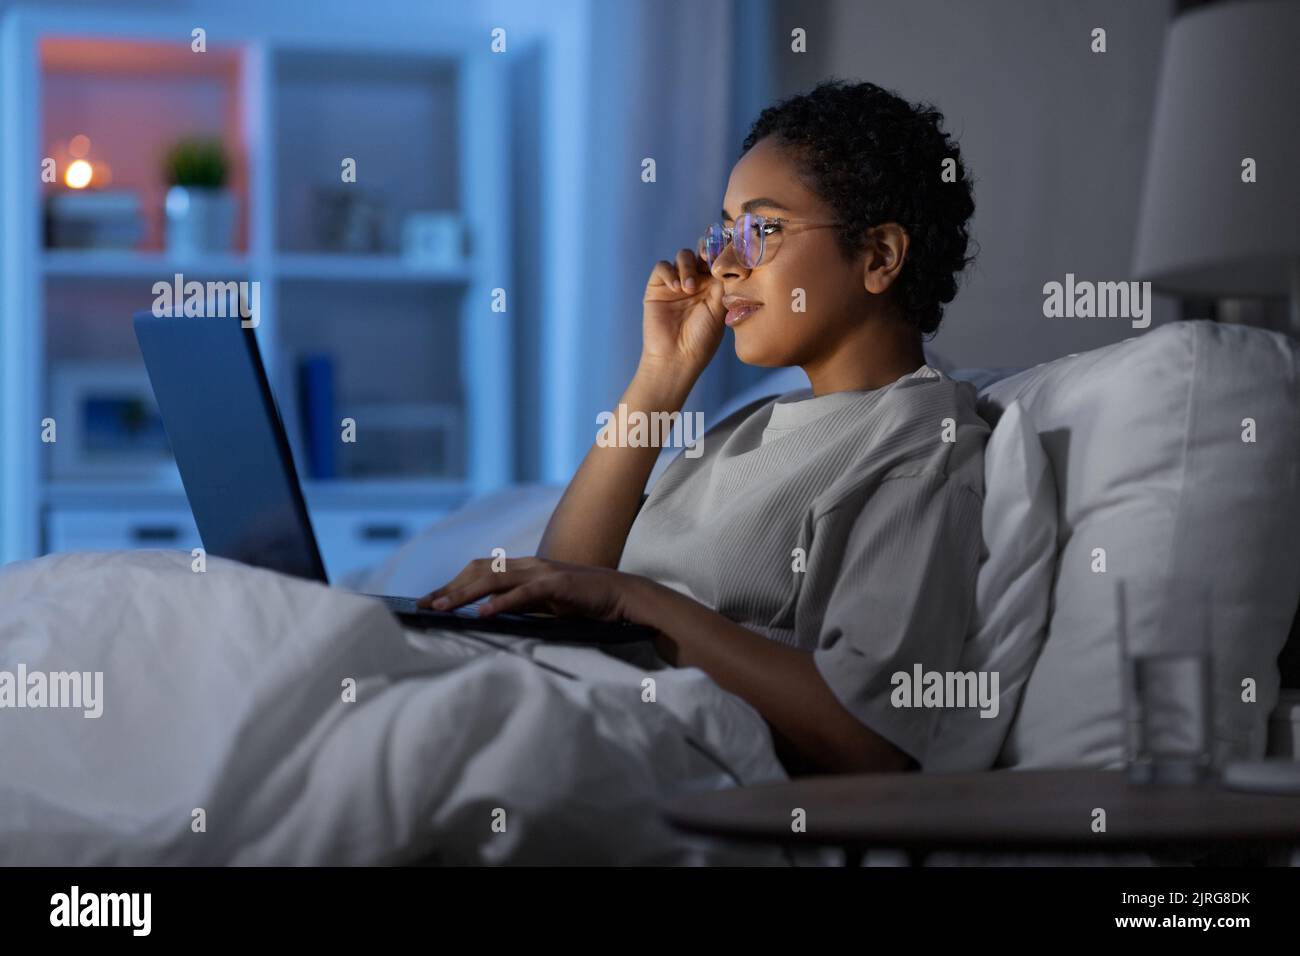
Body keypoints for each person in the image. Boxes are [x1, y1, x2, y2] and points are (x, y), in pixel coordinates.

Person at [419, 79, 988, 776]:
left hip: (666, 753)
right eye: (724, 232)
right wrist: (663, 375)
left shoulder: (922, 440)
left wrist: (635, 601)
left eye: (763, 231)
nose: (723, 264)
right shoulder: (750, 426)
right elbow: (564, 583)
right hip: (574, 700)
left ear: (879, 257)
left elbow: (869, 739)